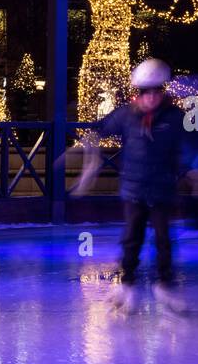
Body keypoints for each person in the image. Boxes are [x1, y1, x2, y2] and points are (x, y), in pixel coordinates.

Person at [74, 58, 188, 314]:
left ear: (162, 92)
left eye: (155, 91)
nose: (150, 97)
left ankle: (165, 285)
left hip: (162, 189)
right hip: (134, 189)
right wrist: (88, 144)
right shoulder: (126, 115)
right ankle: (127, 285)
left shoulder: (175, 117)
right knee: (131, 239)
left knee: (163, 240)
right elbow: (101, 129)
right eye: (144, 92)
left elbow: (194, 143)